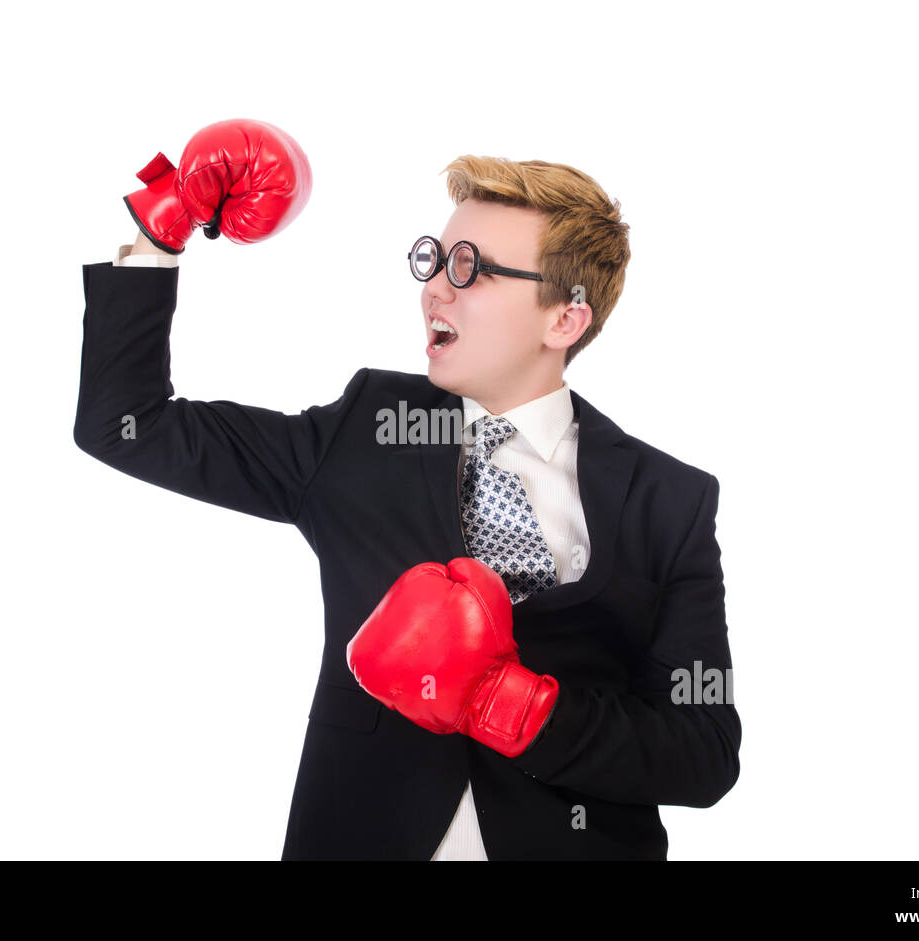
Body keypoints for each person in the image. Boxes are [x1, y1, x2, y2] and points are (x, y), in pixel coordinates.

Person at [74, 135, 741, 859]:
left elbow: (702, 750)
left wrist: (514, 704)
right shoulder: (363, 430)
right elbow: (126, 427)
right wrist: (159, 228)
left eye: (471, 269)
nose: (435, 288)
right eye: (435, 258)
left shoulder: (668, 501)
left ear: (564, 319)